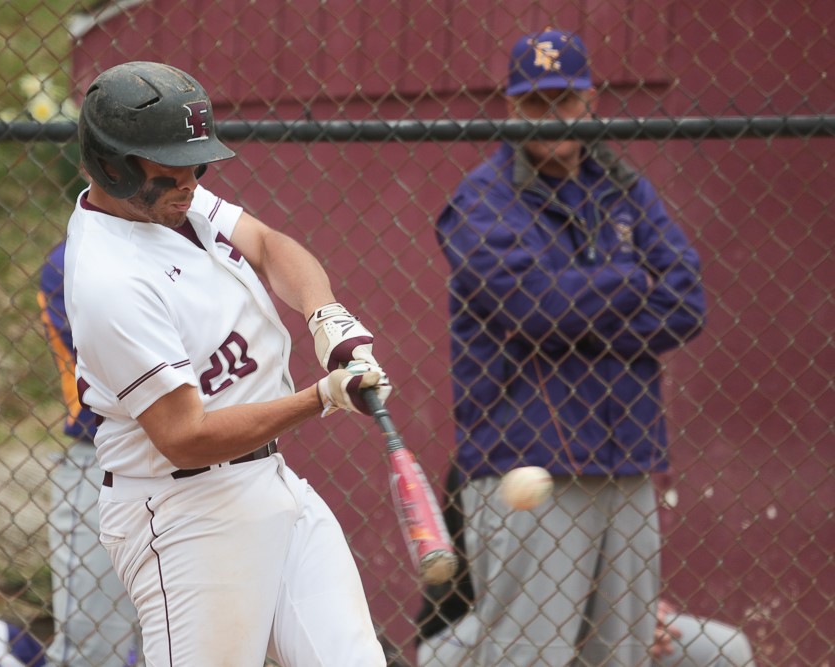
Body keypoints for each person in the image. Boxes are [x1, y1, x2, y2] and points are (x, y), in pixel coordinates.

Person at [63, 60, 392, 666]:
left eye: (196, 164)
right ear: (114, 163)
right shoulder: (110, 280)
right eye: (171, 167)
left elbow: (268, 245)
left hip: (266, 481)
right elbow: (184, 440)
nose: (191, 180)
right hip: (185, 512)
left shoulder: (168, 198)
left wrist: (325, 314)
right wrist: (320, 397)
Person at [434, 29, 708, 665]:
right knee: (528, 655)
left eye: (564, 98)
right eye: (535, 102)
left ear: (588, 100)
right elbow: (532, 308)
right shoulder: (481, 199)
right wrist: (631, 278)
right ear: (510, 106)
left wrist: (579, 311)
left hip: (627, 452)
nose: (551, 115)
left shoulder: (623, 185)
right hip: (530, 456)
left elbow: (688, 302)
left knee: (625, 653)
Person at [414, 462, 757, 666]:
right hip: (463, 636)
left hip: (595, 622)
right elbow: (525, 603)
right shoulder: (490, 457)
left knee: (725, 650)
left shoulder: (612, 460)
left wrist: (639, 618)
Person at [39, 240, 142, 667]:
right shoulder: (74, 260)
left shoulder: (198, 245)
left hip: (199, 465)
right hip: (105, 458)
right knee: (93, 652)